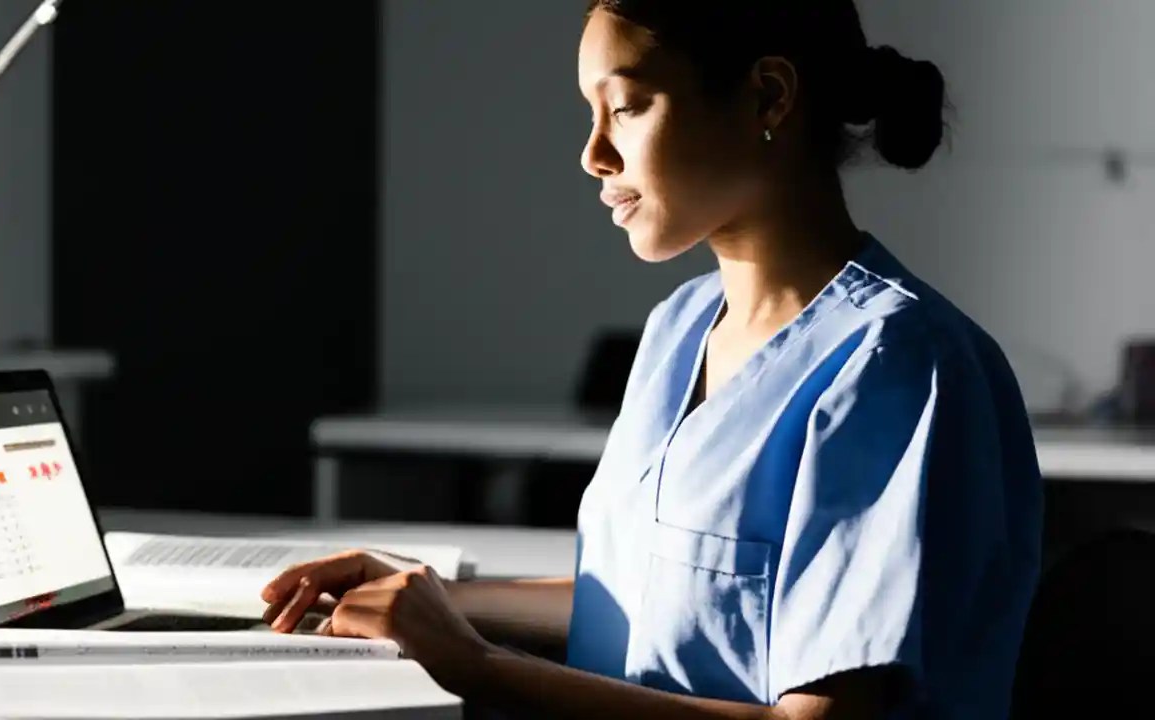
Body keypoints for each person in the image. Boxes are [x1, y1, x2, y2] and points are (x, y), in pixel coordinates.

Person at [261, 2, 1043, 718]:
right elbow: (664, 596)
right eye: (590, 115)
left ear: (770, 97)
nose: (593, 154)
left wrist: (472, 661)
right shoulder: (681, 326)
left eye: (626, 107)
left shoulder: (901, 365)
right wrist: (427, 598)